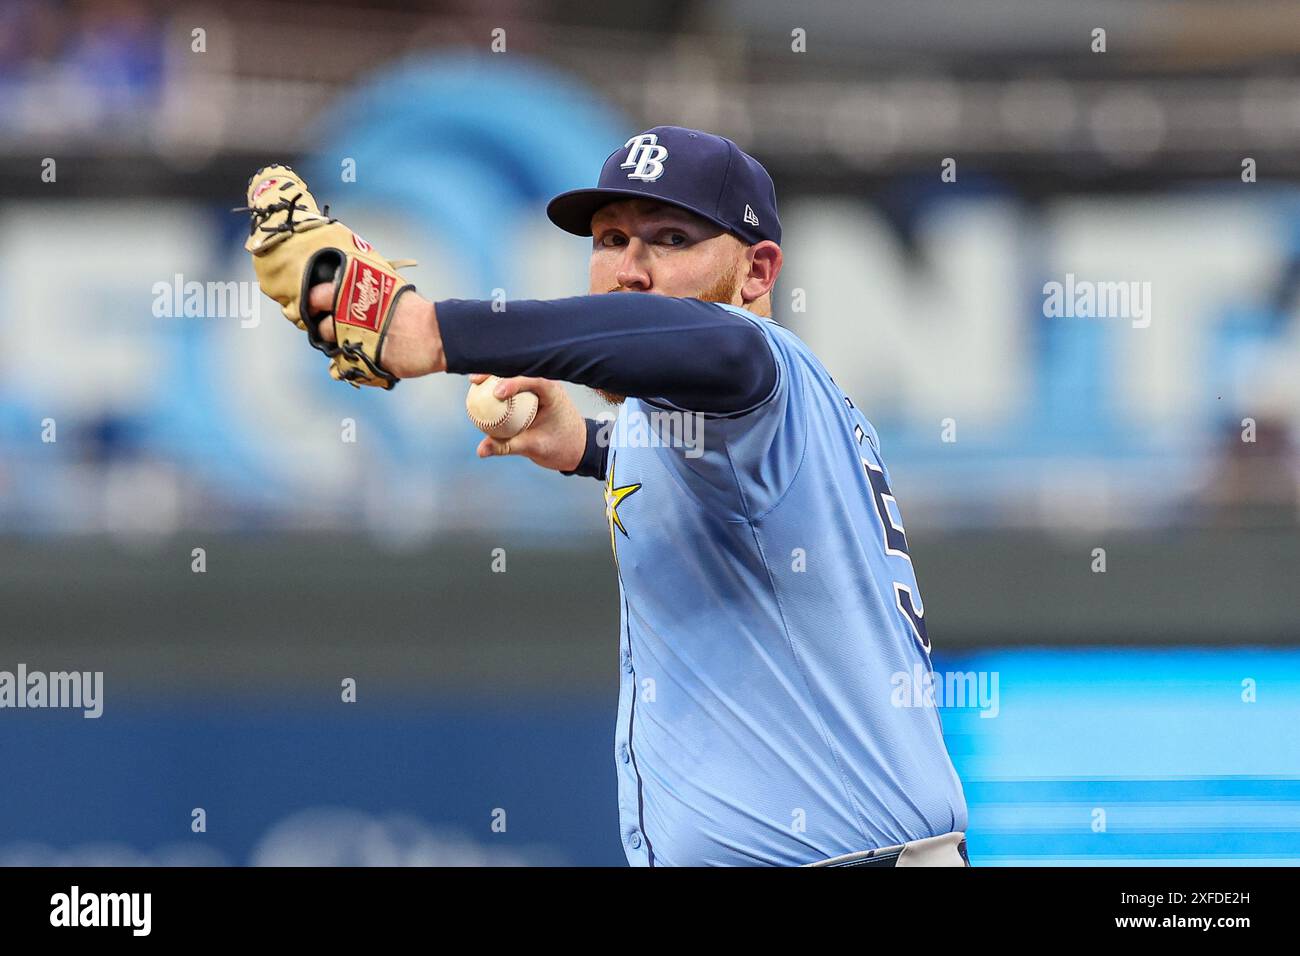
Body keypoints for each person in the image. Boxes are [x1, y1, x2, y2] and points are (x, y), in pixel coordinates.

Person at [307, 126, 969, 866]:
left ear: (758, 270)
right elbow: (708, 476)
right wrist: (584, 445)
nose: (629, 269)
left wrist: (433, 330)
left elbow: (692, 342)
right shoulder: (715, 422)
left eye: (672, 238)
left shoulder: (754, 356)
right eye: (610, 238)